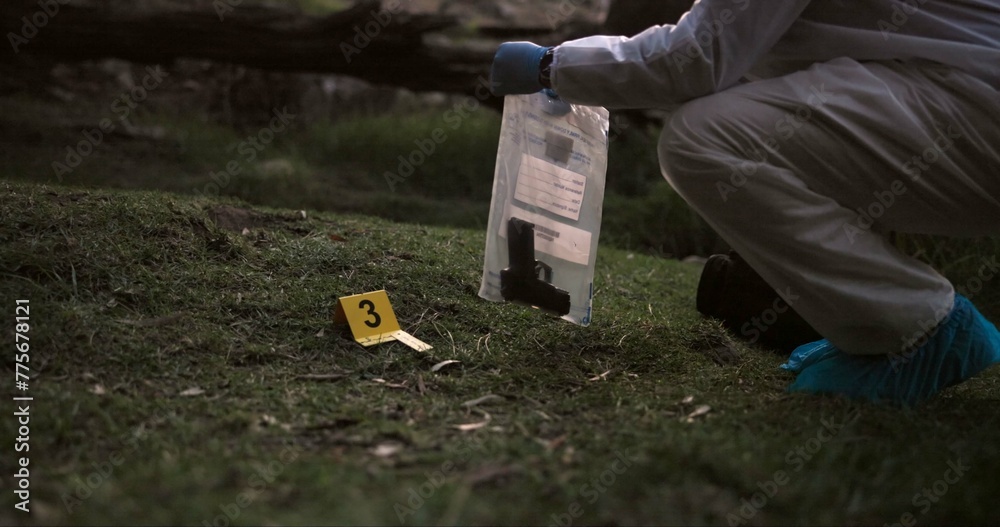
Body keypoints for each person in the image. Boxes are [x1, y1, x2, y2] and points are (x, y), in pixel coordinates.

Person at [489, 0, 1000, 406]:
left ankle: (921, 327)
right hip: (959, 102)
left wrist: (554, 66)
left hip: (970, 108)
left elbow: (699, 57)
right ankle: (881, 327)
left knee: (702, 138)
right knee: (745, 125)